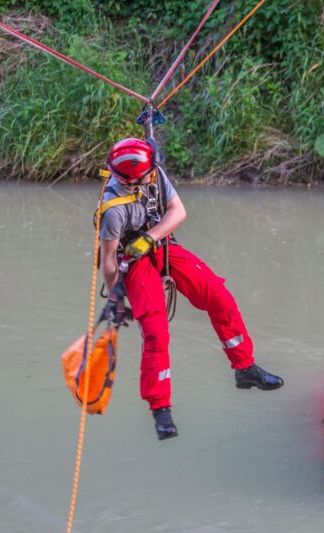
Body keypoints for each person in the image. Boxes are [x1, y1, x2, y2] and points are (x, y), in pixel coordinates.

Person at [97, 137, 283, 441]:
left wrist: (151, 237)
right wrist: (116, 297)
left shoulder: (152, 174)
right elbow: (107, 260)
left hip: (161, 245)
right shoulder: (113, 211)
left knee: (219, 298)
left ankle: (244, 368)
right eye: (148, 171)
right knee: (155, 331)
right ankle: (160, 408)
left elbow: (178, 211)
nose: (155, 172)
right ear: (132, 179)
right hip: (133, 261)